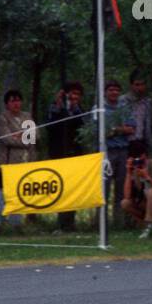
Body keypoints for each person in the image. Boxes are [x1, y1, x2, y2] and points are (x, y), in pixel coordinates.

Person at [46, 81, 88, 231]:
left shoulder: (80, 110)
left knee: (73, 189)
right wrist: (59, 105)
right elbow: (51, 126)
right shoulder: (55, 107)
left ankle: (71, 222)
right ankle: (60, 222)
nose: (74, 97)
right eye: (72, 93)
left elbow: (82, 127)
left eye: (77, 94)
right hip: (58, 153)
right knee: (61, 189)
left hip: (75, 153)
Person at [0, 89, 35, 229]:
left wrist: (18, 136)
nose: (16, 103)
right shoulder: (2, 118)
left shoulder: (27, 117)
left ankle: (16, 225)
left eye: (18, 100)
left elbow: (34, 137)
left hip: (23, 162)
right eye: (12, 100)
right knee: (3, 195)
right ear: (7, 104)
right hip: (6, 163)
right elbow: (7, 140)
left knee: (20, 194)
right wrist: (22, 137)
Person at [98, 80, 135, 227]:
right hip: (106, 151)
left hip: (123, 151)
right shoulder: (100, 108)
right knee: (103, 187)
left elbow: (132, 129)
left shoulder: (124, 107)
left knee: (122, 187)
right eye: (111, 90)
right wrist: (120, 129)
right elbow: (101, 131)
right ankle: (101, 222)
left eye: (116, 90)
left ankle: (118, 221)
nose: (114, 93)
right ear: (105, 92)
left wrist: (114, 130)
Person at [121, 72, 152, 153]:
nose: (140, 88)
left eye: (142, 84)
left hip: (141, 143)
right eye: (137, 84)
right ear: (131, 85)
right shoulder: (122, 101)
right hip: (125, 144)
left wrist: (149, 144)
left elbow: (148, 125)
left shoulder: (147, 102)